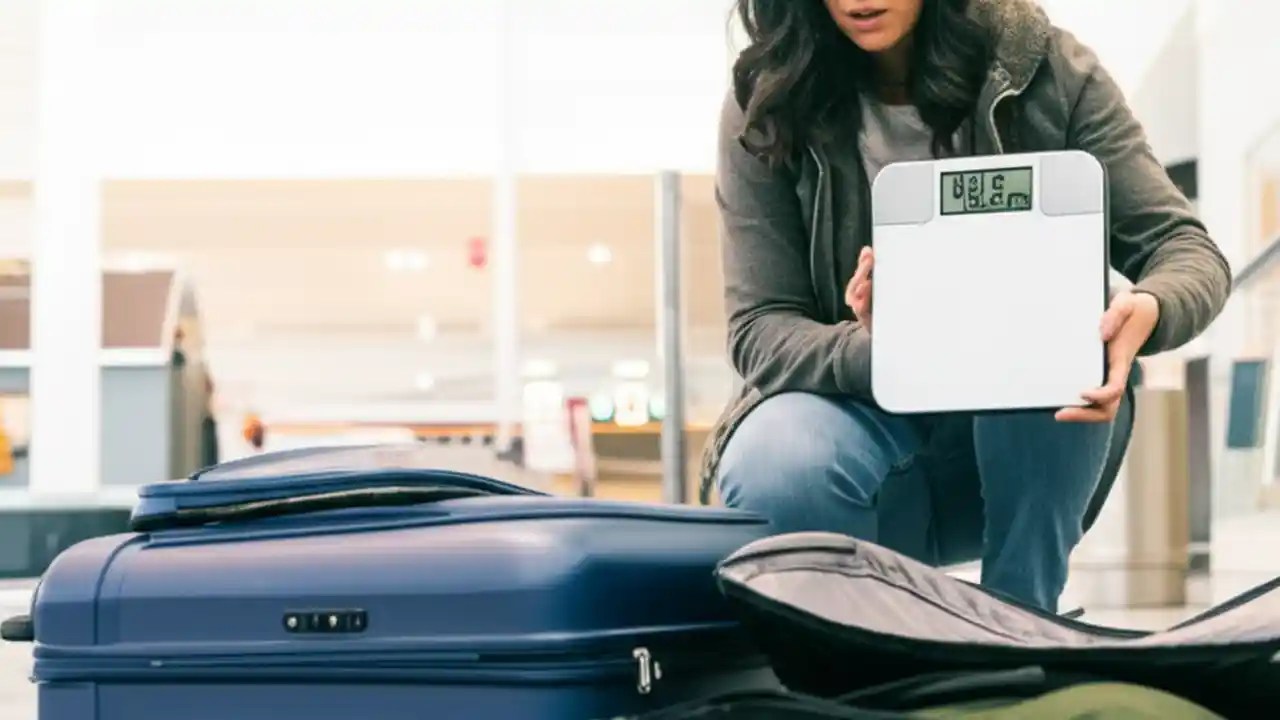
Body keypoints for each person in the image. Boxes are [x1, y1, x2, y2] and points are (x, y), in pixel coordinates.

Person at [701, 0, 1231, 612]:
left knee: (1052, 357)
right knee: (779, 460)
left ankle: (1020, 628)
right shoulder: (767, 97)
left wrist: (1150, 307)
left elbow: (1187, 251)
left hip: (1019, 455)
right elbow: (759, 325)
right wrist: (893, 351)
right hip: (849, 432)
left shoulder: (1047, 71)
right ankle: (838, 651)